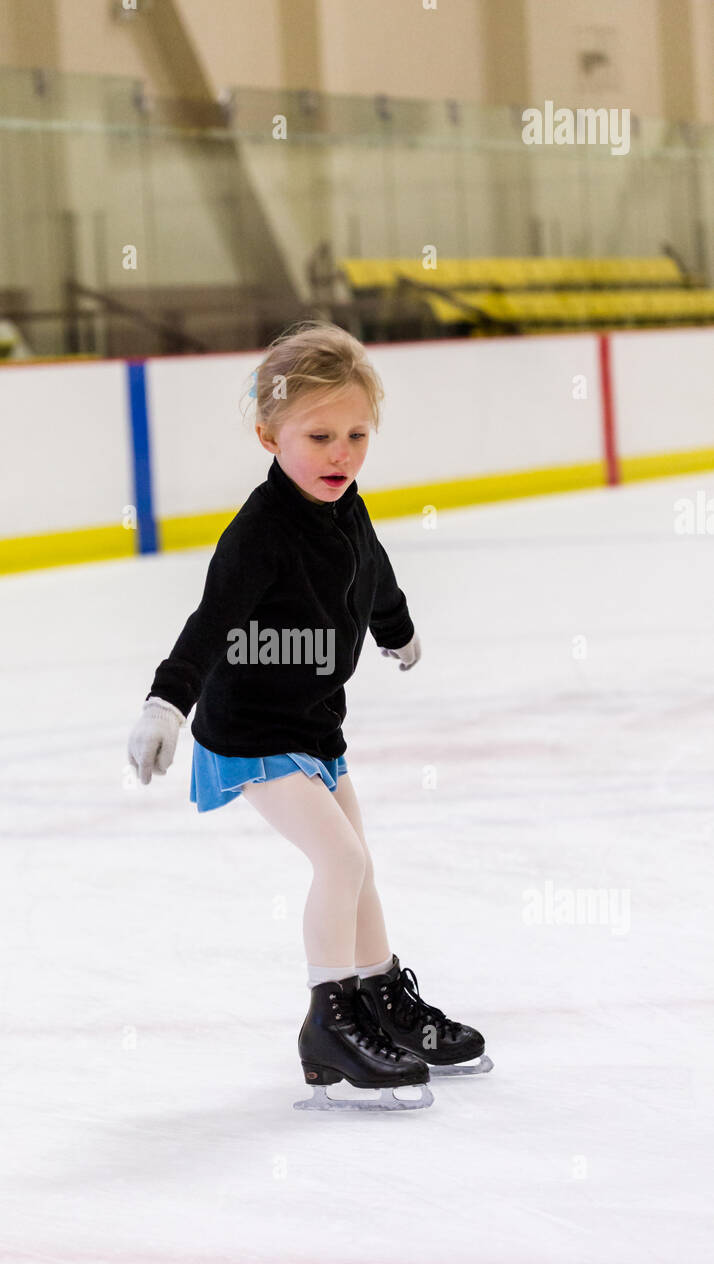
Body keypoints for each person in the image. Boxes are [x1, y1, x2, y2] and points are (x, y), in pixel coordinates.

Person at [127, 320, 490, 1111]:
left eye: (357, 434)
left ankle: (381, 1000)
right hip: (253, 732)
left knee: (359, 860)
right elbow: (213, 618)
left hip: (316, 725)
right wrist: (165, 703)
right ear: (269, 435)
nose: (342, 454)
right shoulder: (260, 532)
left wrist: (396, 628)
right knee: (342, 863)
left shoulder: (345, 505)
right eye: (320, 435)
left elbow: (373, 570)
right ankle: (330, 1021)